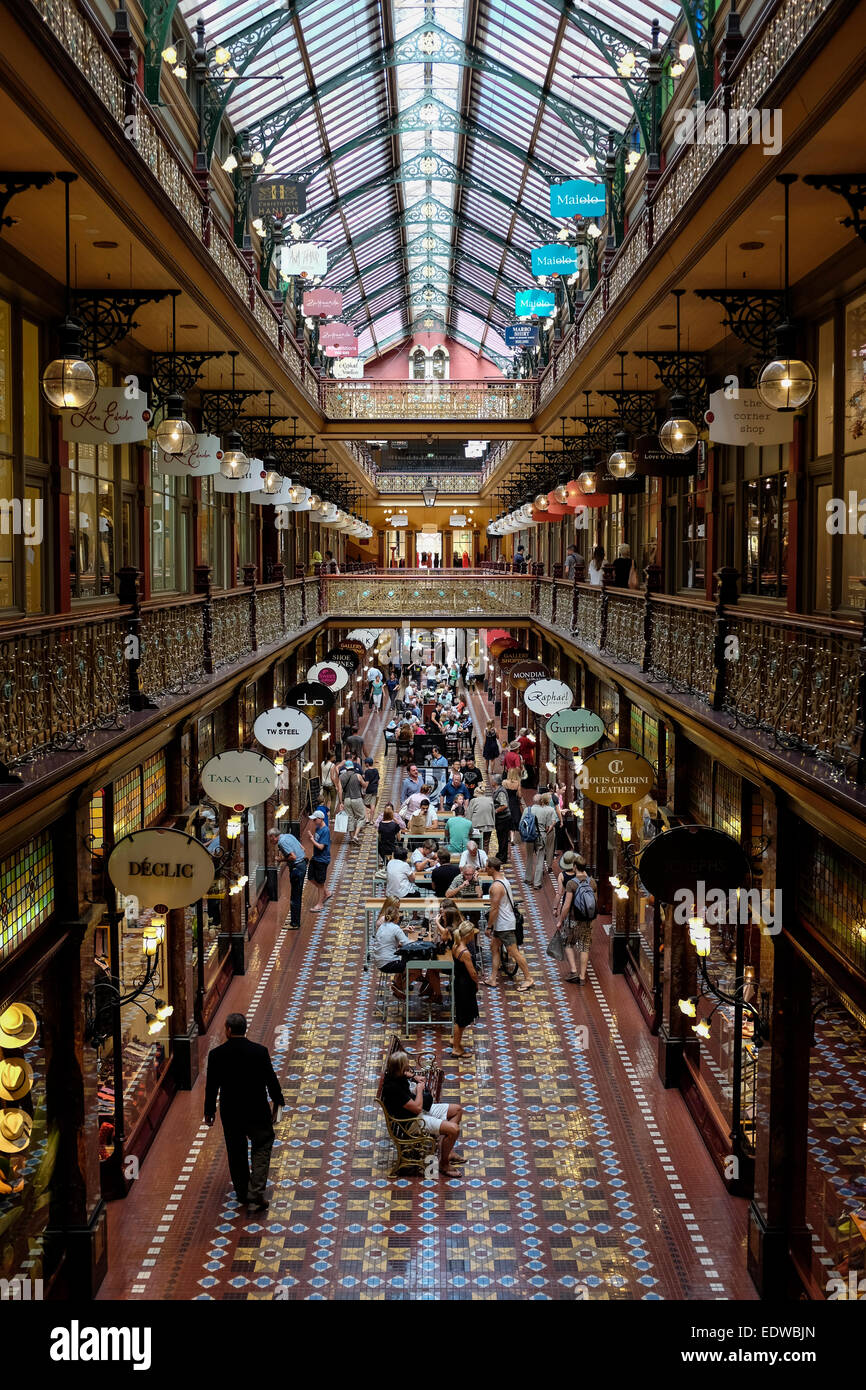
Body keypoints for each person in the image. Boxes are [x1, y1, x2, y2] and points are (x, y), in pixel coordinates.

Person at [204, 1012, 285, 1213]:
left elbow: (211, 1087)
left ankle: (242, 1192)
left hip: (231, 1112)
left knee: (236, 1150)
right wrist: (278, 1100)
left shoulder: (217, 1055)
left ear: (228, 1030)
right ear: (245, 1029)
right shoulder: (259, 1051)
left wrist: (209, 1112)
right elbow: (270, 1079)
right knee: (263, 1144)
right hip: (256, 1108)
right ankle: (256, 1189)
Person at [380, 1049, 464, 1175]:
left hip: (419, 1112)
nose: (408, 1066)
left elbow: (406, 1074)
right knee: (454, 1130)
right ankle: (444, 1165)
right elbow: (417, 1108)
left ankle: (447, 1151)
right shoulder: (393, 1089)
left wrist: (414, 1076)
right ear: (400, 1067)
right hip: (413, 1121)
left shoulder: (393, 1073)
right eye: (406, 1065)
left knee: (457, 1110)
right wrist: (419, 1090)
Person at [484, 857, 534, 991]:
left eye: (487, 867)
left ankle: (529, 978)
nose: (485, 869)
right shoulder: (503, 880)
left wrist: (489, 926)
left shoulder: (496, 886)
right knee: (494, 948)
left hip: (504, 924)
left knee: (513, 952)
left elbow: (494, 909)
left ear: (492, 868)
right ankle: (493, 978)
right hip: (502, 924)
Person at [554, 851, 597, 984]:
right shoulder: (592, 882)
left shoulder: (572, 884)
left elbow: (566, 905)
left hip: (573, 919)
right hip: (587, 920)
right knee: (584, 947)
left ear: (574, 867)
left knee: (567, 942)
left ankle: (573, 970)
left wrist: (561, 920)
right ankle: (582, 977)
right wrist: (593, 921)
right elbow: (595, 903)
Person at [449, 919, 480, 1057]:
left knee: (460, 1016)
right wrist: (477, 983)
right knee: (462, 1019)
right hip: (465, 986)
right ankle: (456, 1048)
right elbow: (472, 972)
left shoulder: (455, 946)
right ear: (468, 935)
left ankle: (456, 1042)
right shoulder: (465, 952)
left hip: (459, 983)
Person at [372, 898, 414, 997]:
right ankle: (400, 987)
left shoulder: (384, 924)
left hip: (379, 959)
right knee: (412, 966)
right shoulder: (393, 926)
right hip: (387, 962)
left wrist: (402, 930)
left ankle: (398, 984)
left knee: (403, 955)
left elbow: (389, 939)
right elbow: (407, 944)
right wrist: (416, 942)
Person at [269, 827, 307, 929]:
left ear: (274, 837)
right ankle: (295, 921)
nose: (270, 840)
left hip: (297, 868)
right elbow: (302, 848)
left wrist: (281, 859)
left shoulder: (281, 842)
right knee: (297, 895)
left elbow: (293, 857)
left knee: (295, 897)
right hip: (302, 865)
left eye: (270, 838)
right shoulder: (289, 836)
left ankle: (294, 923)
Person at [527, 792, 560, 889]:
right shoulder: (547, 811)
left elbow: (522, 824)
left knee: (529, 857)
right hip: (540, 836)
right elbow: (548, 826)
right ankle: (537, 883)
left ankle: (528, 878)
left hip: (529, 836)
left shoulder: (527, 810)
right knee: (540, 858)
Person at [307, 809, 332, 909]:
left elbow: (321, 847)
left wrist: (312, 839)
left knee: (320, 883)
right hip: (316, 858)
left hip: (322, 860)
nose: (313, 821)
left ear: (321, 819)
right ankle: (326, 892)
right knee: (310, 877)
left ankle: (320, 904)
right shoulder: (318, 828)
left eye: (315, 819)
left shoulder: (325, 831)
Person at [338, 759, 367, 845]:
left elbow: (339, 790)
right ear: (353, 767)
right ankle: (355, 836)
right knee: (362, 817)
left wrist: (341, 802)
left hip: (347, 799)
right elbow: (364, 785)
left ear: (346, 768)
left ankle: (351, 838)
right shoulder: (358, 775)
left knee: (350, 818)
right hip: (357, 798)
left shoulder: (341, 777)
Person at [502, 742, 524, 829]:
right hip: (515, 776)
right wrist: (520, 772)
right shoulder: (516, 756)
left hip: (508, 775)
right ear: (516, 749)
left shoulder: (507, 754)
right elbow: (518, 768)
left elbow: (503, 764)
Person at [491, 774, 513, 863]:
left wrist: (495, 811)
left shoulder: (501, 792)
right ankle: (500, 853)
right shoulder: (497, 790)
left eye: (492, 780)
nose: (491, 781)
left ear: (495, 782)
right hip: (500, 819)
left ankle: (502, 857)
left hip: (504, 819)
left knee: (503, 838)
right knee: (500, 837)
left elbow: (504, 805)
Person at [362, 756, 380, 824]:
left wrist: (364, 789)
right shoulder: (376, 770)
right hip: (375, 789)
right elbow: (378, 781)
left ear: (367, 764)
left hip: (369, 789)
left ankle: (366, 819)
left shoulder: (367, 771)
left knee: (365, 804)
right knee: (373, 805)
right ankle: (371, 820)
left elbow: (367, 782)